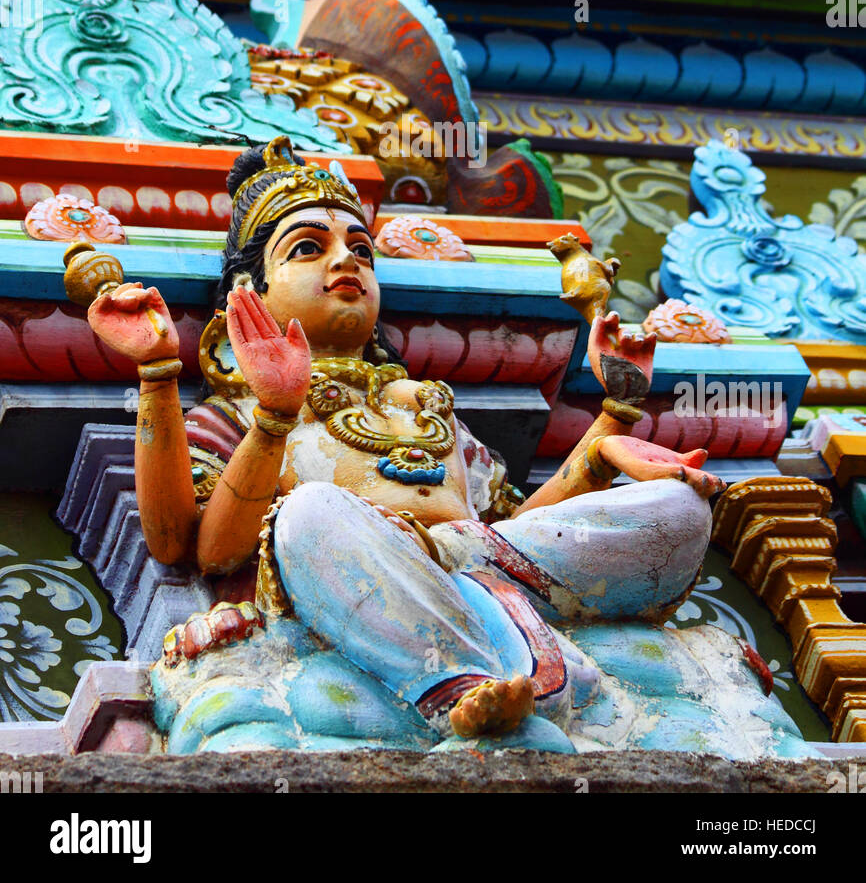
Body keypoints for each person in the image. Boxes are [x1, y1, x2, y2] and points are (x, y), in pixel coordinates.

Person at [86, 136, 722, 740]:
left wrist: (614, 418)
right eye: (307, 248)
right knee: (309, 512)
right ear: (248, 294)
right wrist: (249, 405)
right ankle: (457, 684)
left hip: (485, 565)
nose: (345, 262)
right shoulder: (237, 414)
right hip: (362, 576)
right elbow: (196, 548)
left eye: (361, 250)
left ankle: (484, 630)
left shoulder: (428, 406)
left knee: (679, 508)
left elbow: (519, 533)